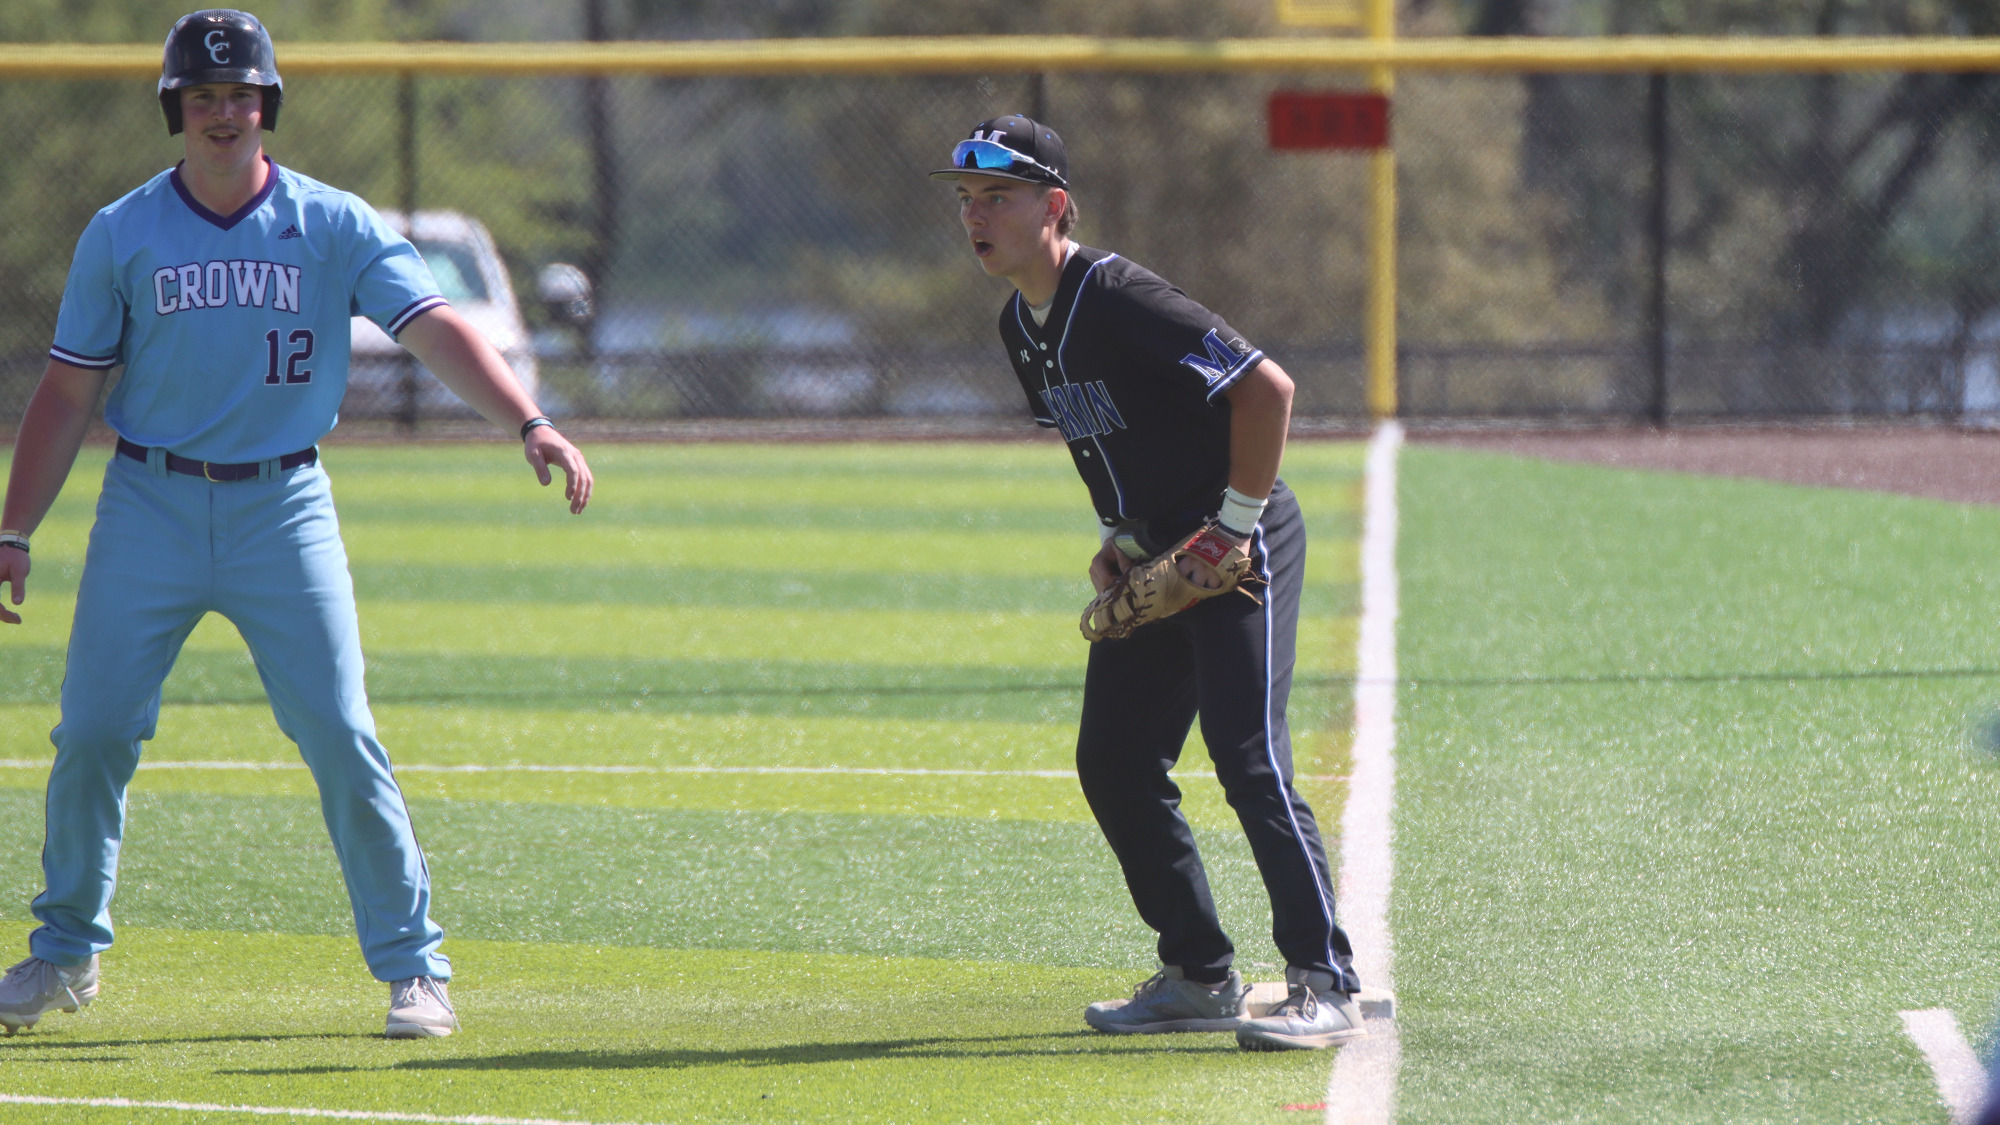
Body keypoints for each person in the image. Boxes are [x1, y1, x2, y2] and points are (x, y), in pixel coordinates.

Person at [0, 9, 593, 1039]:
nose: (223, 112)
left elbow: (435, 327)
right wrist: (13, 529)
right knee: (92, 732)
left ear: (266, 106)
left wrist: (528, 420)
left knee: (337, 731)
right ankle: (63, 955)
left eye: (240, 95)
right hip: (151, 499)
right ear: (175, 112)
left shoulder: (332, 222)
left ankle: (415, 968)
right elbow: (66, 391)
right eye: (203, 97)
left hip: (285, 503)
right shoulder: (123, 230)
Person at [933, 116, 1365, 1051]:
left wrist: (1232, 531)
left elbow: (1266, 388)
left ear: (1054, 206)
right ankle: (1201, 972)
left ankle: (1325, 978)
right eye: (966, 200)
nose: (976, 216)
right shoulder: (1020, 323)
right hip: (1161, 553)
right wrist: (1117, 539)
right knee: (1116, 758)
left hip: (1240, 534)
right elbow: (1105, 441)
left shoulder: (1121, 294)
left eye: (997, 197)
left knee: (1245, 752)